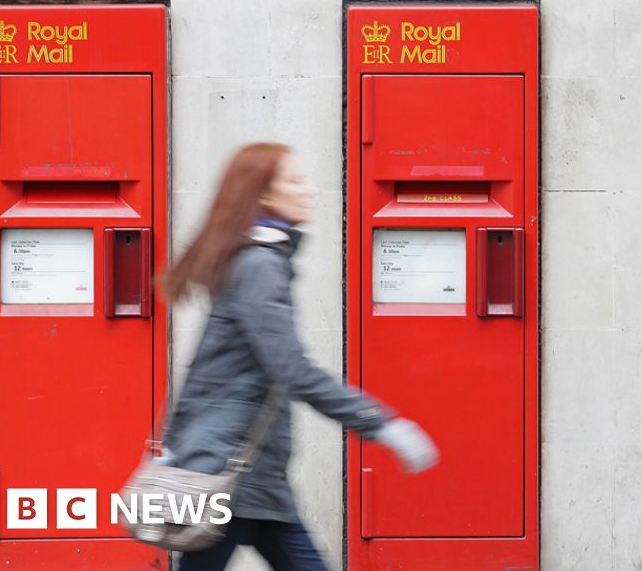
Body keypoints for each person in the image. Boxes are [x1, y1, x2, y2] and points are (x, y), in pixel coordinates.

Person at [161, 143, 438, 570]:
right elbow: (294, 370)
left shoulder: (254, 261)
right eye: (295, 181)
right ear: (264, 197)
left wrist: (177, 444)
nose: (310, 190)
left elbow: (206, 371)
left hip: (253, 479)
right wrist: (382, 424)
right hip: (230, 478)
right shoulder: (258, 266)